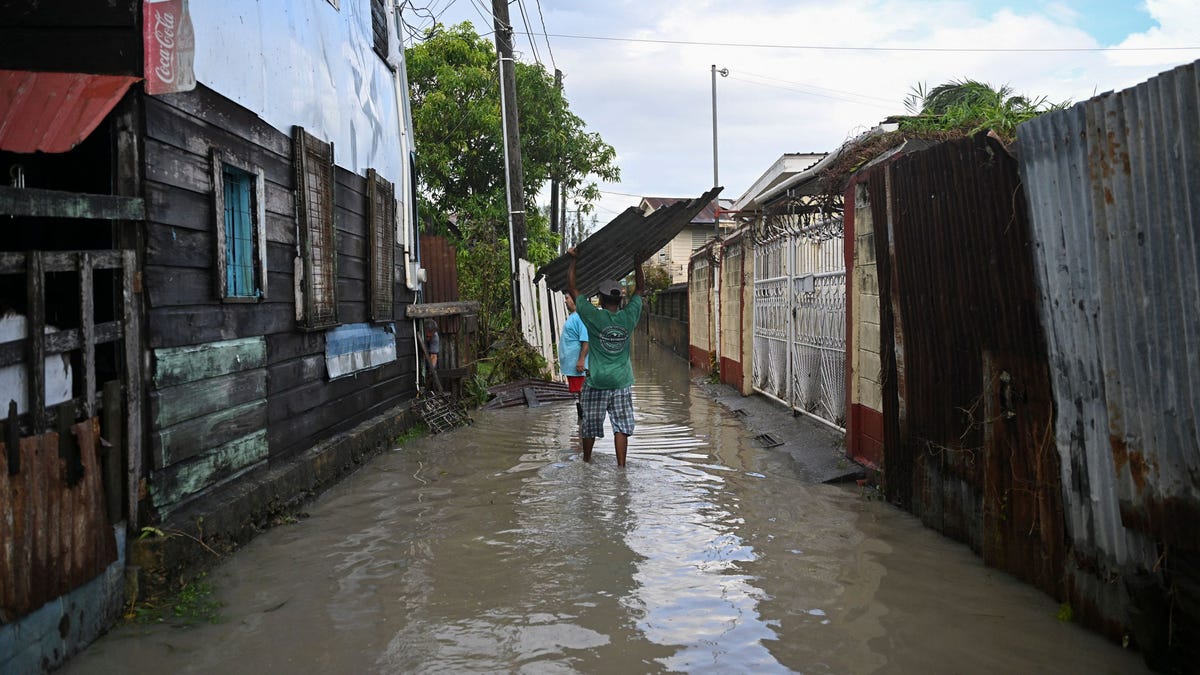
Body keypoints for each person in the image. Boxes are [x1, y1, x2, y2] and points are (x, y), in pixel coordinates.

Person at [566, 247, 646, 467]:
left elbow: (572, 288)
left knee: (590, 424)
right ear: (620, 300)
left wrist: (573, 260)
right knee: (621, 426)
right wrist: (637, 263)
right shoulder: (629, 316)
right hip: (621, 381)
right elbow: (640, 289)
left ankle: (586, 461)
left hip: (598, 381)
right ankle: (621, 467)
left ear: (599, 300)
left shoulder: (592, 316)